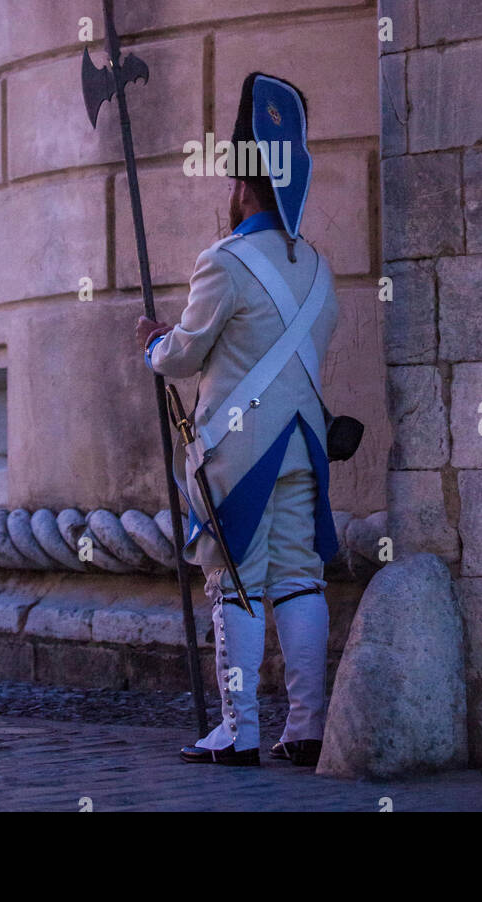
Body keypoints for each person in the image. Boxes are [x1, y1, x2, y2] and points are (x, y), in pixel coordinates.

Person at [135, 73, 340, 767]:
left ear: (245, 189)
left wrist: (153, 344)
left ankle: (241, 729)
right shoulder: (318, 266)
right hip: (304, 444)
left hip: (238, 451)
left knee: (237, 582)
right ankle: (308, 728)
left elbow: (184, 356)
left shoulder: (221, 261)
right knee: (299, 580)